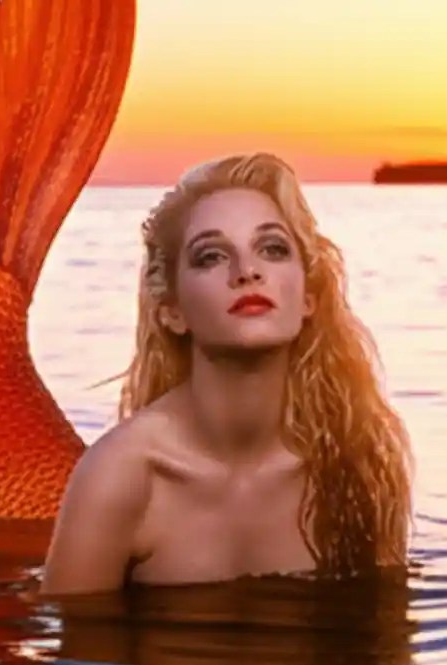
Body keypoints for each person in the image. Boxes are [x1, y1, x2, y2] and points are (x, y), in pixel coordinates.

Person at [42, 152, 413, 594]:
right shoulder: (123, 476)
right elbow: (73, 658)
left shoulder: (356, 458)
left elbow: (386, 646)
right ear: (173, 311)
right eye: (211, 256)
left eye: (272, 249)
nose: (247, 271)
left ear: (309, 297)